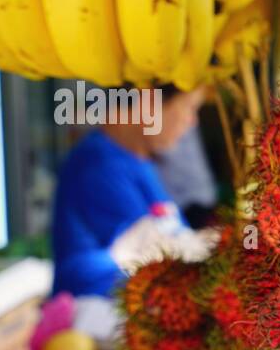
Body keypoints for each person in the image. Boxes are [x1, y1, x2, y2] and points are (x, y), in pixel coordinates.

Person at [51, 85, 211, 298]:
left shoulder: (140, 160)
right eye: (189, 107)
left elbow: (176, 236)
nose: (192, 121)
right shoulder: (99, 165)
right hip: (101, 316)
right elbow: (154, 252)